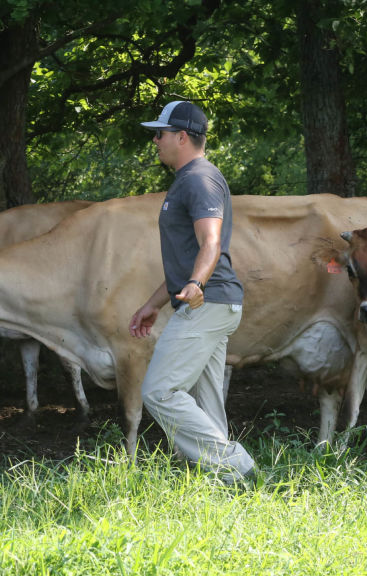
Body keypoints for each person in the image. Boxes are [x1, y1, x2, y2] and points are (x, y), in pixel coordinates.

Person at [129, 100, 255, 483]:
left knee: (159, 392)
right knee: (206, 401)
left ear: (181, 136)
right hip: (212, 300)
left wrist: (197, 285)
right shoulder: (188, 180)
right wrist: (153, 304)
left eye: (160, 133)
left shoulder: (199, 179)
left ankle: (237, 466)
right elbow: (186, 259)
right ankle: (226, 485)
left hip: (209, 301)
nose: (155, 140)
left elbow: (211, 241)